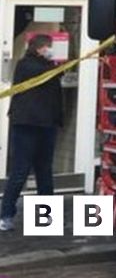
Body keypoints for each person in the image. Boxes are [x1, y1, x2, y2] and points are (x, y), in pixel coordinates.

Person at [0, 34, 64, 231]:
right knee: (20, 171)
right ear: (38, 49)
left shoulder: (48, 66)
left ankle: (45, 216)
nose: (51, 50)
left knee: (44, 171)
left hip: (46, 125)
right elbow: (48, 75)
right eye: (48, 47)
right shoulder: (26, 65)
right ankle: (6, 215)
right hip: (27, 125)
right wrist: (56, 65)